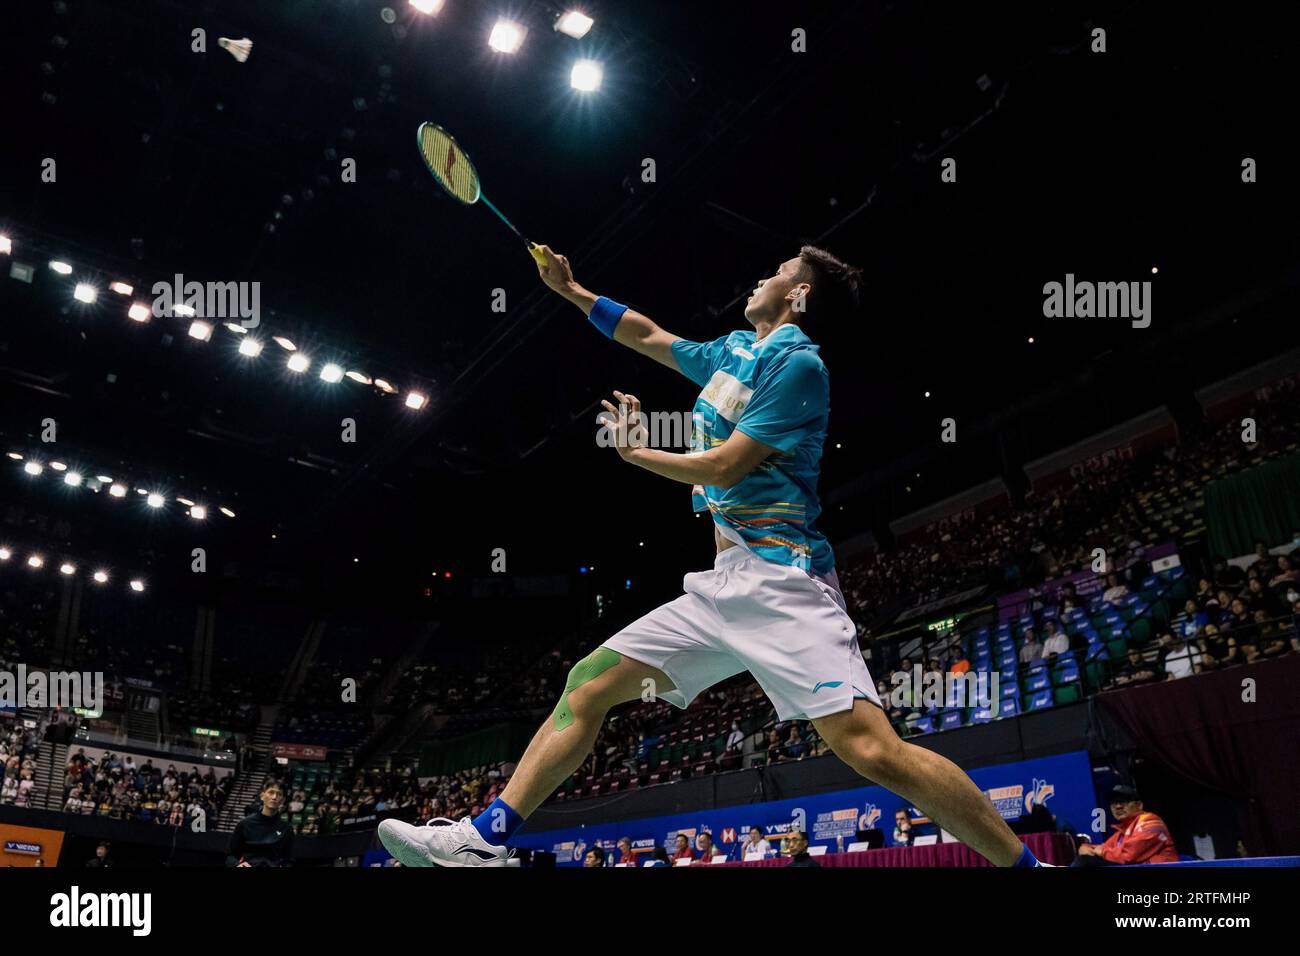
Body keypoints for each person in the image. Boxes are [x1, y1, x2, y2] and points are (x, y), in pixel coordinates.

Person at [378, 245, 1049, 869]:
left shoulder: (799, 366)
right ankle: (486, 839)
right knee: (587, 683)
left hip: (784, 585)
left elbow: (728, 466)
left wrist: (637, 453)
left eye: (779, 271)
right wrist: (573, 290)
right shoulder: (733, 352)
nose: (762, 277)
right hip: (722, 586)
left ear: (801, 297)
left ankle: (1025, 865)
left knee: (875, 752)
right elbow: (649, 336)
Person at [1072, 785, 1179, 866]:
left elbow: (1128, 855)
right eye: (1114, 803)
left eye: (1124, 801)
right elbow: (1104, 847)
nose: (1118, 806)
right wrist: (1085, 847)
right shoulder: (1121, 833)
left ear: (1139, 805)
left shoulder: (1151, 822)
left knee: (1086, 861)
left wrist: (1101, 852)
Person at [226, 781, 293, 867]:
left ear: (283, 800)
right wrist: (237, 865)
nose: (274, 797)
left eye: (279, 794)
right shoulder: (245, 824)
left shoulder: (287, 828)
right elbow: (230, 856)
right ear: (262, 796)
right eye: (271, 792)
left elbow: (289, 860)